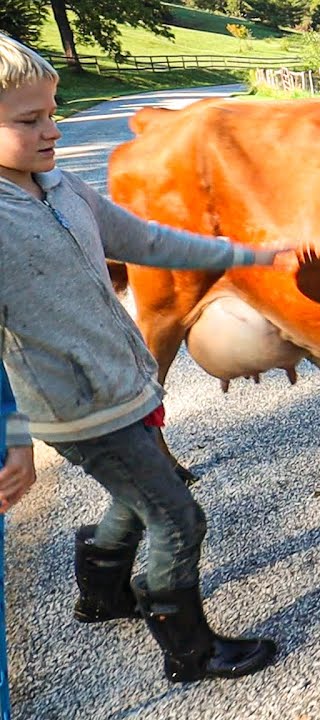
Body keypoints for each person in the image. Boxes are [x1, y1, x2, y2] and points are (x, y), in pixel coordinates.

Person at [0, 32, 293, 682]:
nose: (51, 129)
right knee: (179, 518)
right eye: (30, 120)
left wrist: (256, 255)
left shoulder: (59, 184)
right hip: (78, 410)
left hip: (125, 384)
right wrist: (12, 439)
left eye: (52, 112)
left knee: (140, 497)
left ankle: (102, 593)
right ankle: (189, 651)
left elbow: (150, 241)